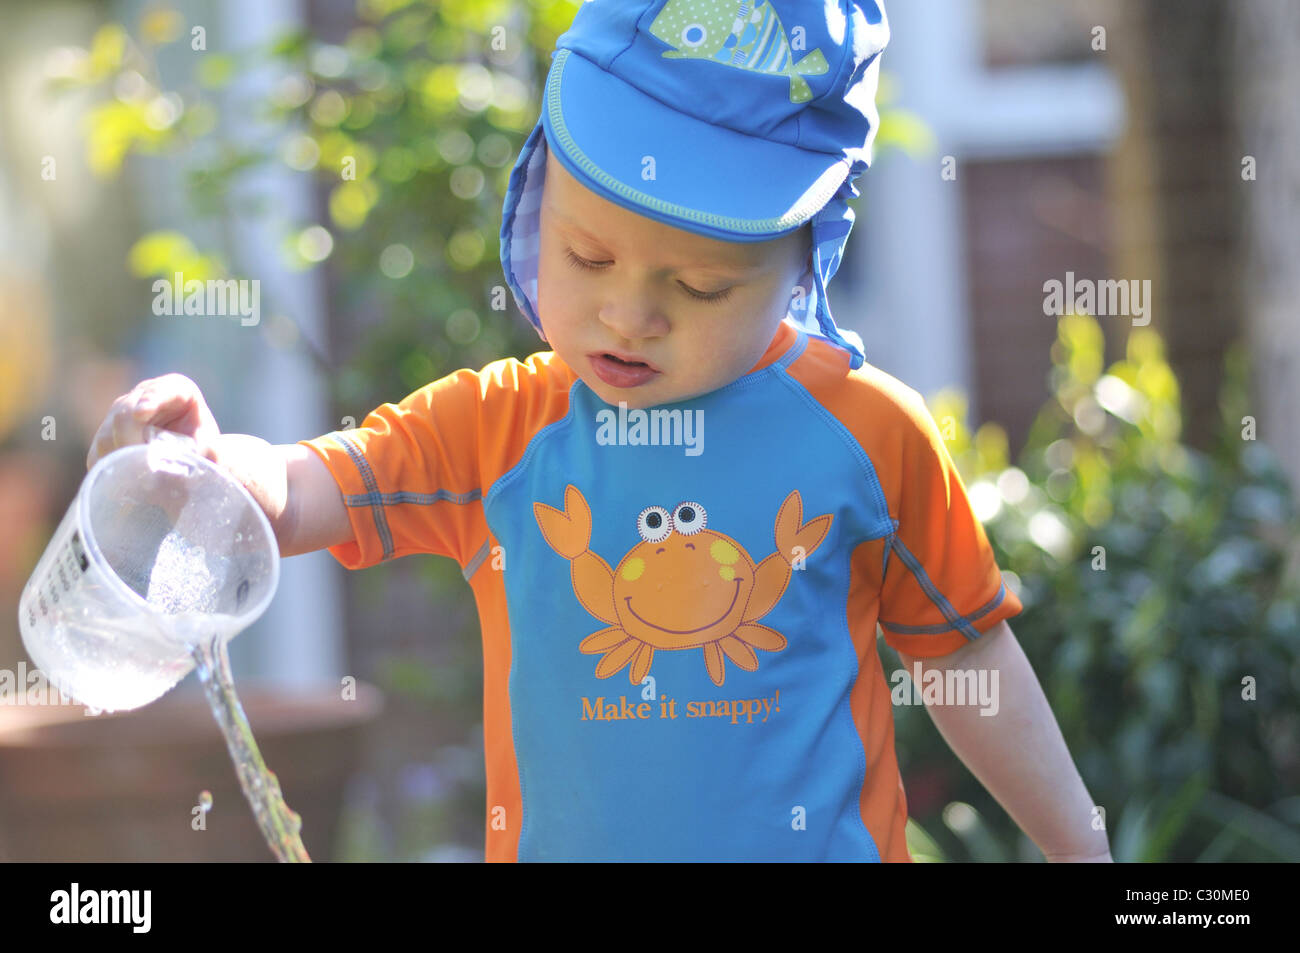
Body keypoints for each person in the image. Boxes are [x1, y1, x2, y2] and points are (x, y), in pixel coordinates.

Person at [88, 0, 1112, 862]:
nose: (629, 313)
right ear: (538, 194)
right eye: (584, 255)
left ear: (808, 253)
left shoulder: (866, 433)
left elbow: (965, 652)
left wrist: (1082, 850)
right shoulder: (500, 430)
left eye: (699, 283)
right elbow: (308, 487)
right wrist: (203, 466)